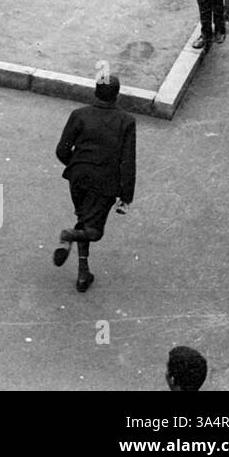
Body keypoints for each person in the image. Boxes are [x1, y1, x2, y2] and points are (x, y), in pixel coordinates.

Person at [52, 73, 135, 293]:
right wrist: (126, 196)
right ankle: (68, 236)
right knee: (94, 231)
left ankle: (83, 274)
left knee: (83, 220)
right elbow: (128, 161)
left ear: (95, 92)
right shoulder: (126, 121)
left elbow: (61, 150)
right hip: (104, 183)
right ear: (117, 95)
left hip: (78, 177)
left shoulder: (79, 115)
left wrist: (77, 165)